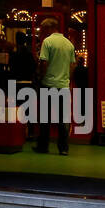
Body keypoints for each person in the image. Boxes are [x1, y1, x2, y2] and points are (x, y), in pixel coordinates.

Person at [34, 18, 76, 156]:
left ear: (49, 28)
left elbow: (44, 62)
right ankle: (63, 148)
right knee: (63, 119)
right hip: (63, 86)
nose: (42, 32)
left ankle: (43, 146)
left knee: (45, 118)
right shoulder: (69, 44)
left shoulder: (47, 42)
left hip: (49, 84)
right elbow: (72, 65)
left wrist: (41, 76)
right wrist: (66, 79)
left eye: (43, 29)